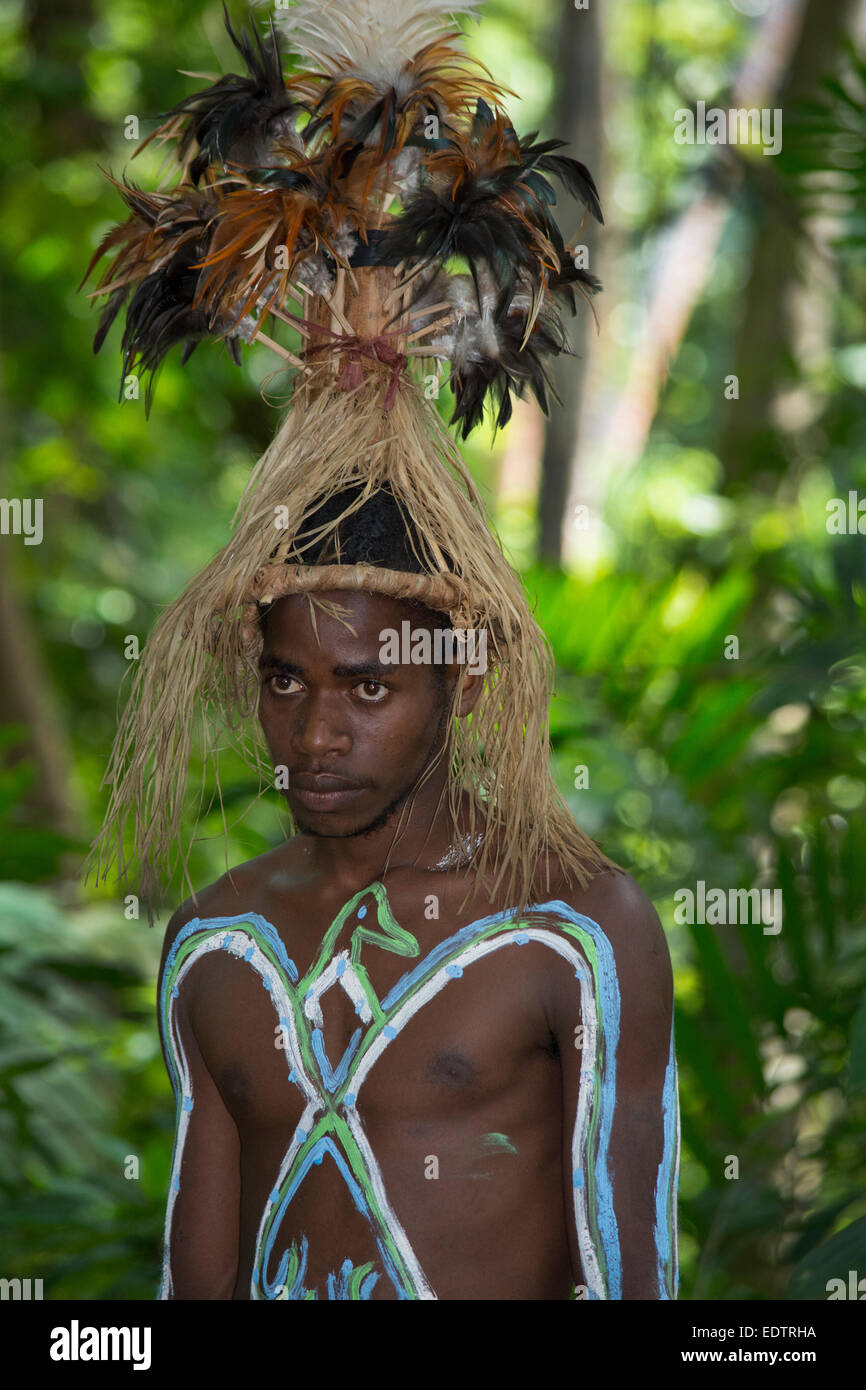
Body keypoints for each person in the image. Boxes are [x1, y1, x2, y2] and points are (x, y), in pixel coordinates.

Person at [83, 0, 679, 1300]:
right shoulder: (221, 938)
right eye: (287, 679)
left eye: (369, 686)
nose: (315, 731)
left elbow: (632, 1271)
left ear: (460, 675)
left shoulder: (577, 929)